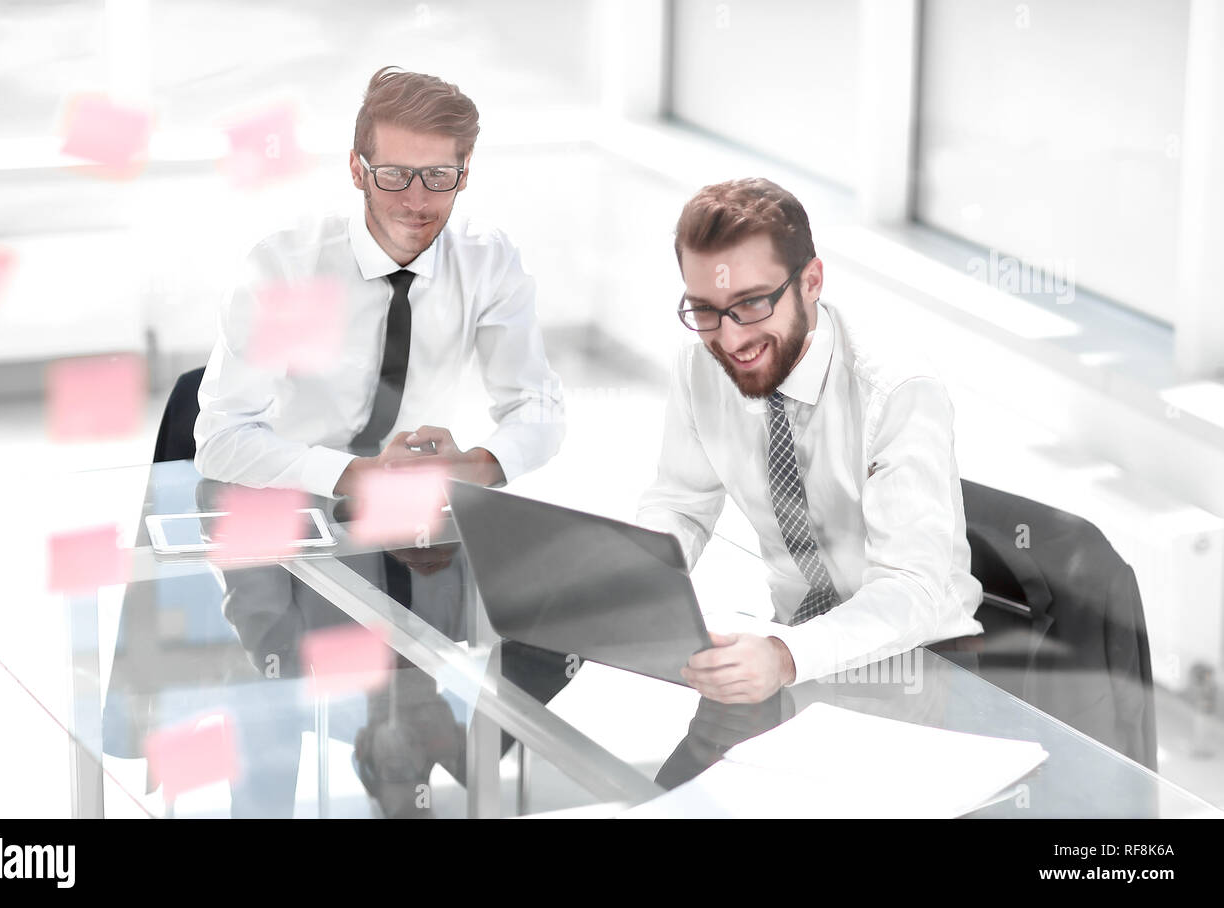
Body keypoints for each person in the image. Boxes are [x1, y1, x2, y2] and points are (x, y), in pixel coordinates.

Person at [637, 177, 983, 705]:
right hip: (791, 646)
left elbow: (910, 590)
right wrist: (634, 581)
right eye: (705, 310)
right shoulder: (699, 366)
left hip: (920, 663)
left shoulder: (897, 390)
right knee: (679, 786)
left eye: (751, 304)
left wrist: (784, 655)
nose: (730, 340)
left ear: (812, 281)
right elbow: (681, 506)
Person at [194, 65, 564, 504]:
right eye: (393, 174)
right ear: (357, 169)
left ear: (464, 174)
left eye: (438, 176)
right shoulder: (285, 268)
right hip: (285, 498)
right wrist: (360, 475)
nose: (416, 200)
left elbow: (536, 404)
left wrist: (470, 466)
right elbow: (221, 439)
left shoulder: (488, 260)